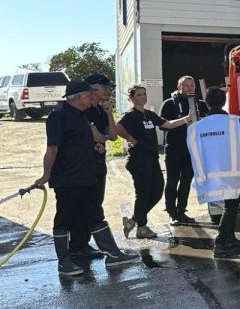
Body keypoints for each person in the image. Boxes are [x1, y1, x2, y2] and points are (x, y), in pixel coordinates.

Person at [34, 80, 139, 276]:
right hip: (67, 178)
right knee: (65, 219)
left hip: (87, 176)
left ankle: (113, 255)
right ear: (78, 97)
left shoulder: (82, 115)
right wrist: (46, 174)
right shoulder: (58, 117)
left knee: (94, 215)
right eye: (89, 94)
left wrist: (97, 146)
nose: (93, 97)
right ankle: (64, 262)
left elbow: (90, 139)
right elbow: (52, 148)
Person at [186, 87, 240, 257]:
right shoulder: (233, 122)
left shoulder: (196, 127)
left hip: (208, 175)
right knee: (231, 207)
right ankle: (222, 241)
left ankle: (229, 238)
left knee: (229, 208)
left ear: (206, 103)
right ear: (225, 103)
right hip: (231, 175)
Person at [118, 84, 191, 239]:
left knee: (157, 192)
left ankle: (133, 220)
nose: (142, 97)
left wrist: (187, 118)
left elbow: (168, 124)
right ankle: (142, 228)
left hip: (152, 158)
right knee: (143, 193)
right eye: (138, 95)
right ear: (131, 98)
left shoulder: (150, 114)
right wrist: (130, 138)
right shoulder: (130, 115)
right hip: (138, 160)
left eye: (144, 94)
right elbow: (117, 128)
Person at [66, 73, 120, 260]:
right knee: (87, 207)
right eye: (106, 87)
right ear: (94, 88)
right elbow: (98, 137)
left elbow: (112, 136)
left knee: (94, 203)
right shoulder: (84, 109)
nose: (109, 91)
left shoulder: (98, 109)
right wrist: (99, 136)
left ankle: (83, 245)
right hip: (84, 165)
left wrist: (109, 113)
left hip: (98, 163)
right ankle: (79, 246)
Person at [161, 75, 209, 224]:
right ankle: (171, 212)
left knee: (186, 181)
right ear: (178, 86)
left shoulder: (200, 104)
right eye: (186, 85)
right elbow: (163, 125)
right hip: (174, 148)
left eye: (192, 85)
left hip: (192, 150)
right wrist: (185, 119)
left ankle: (181, 211)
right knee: (172, 181)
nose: (189, 88)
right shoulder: (169, 104)